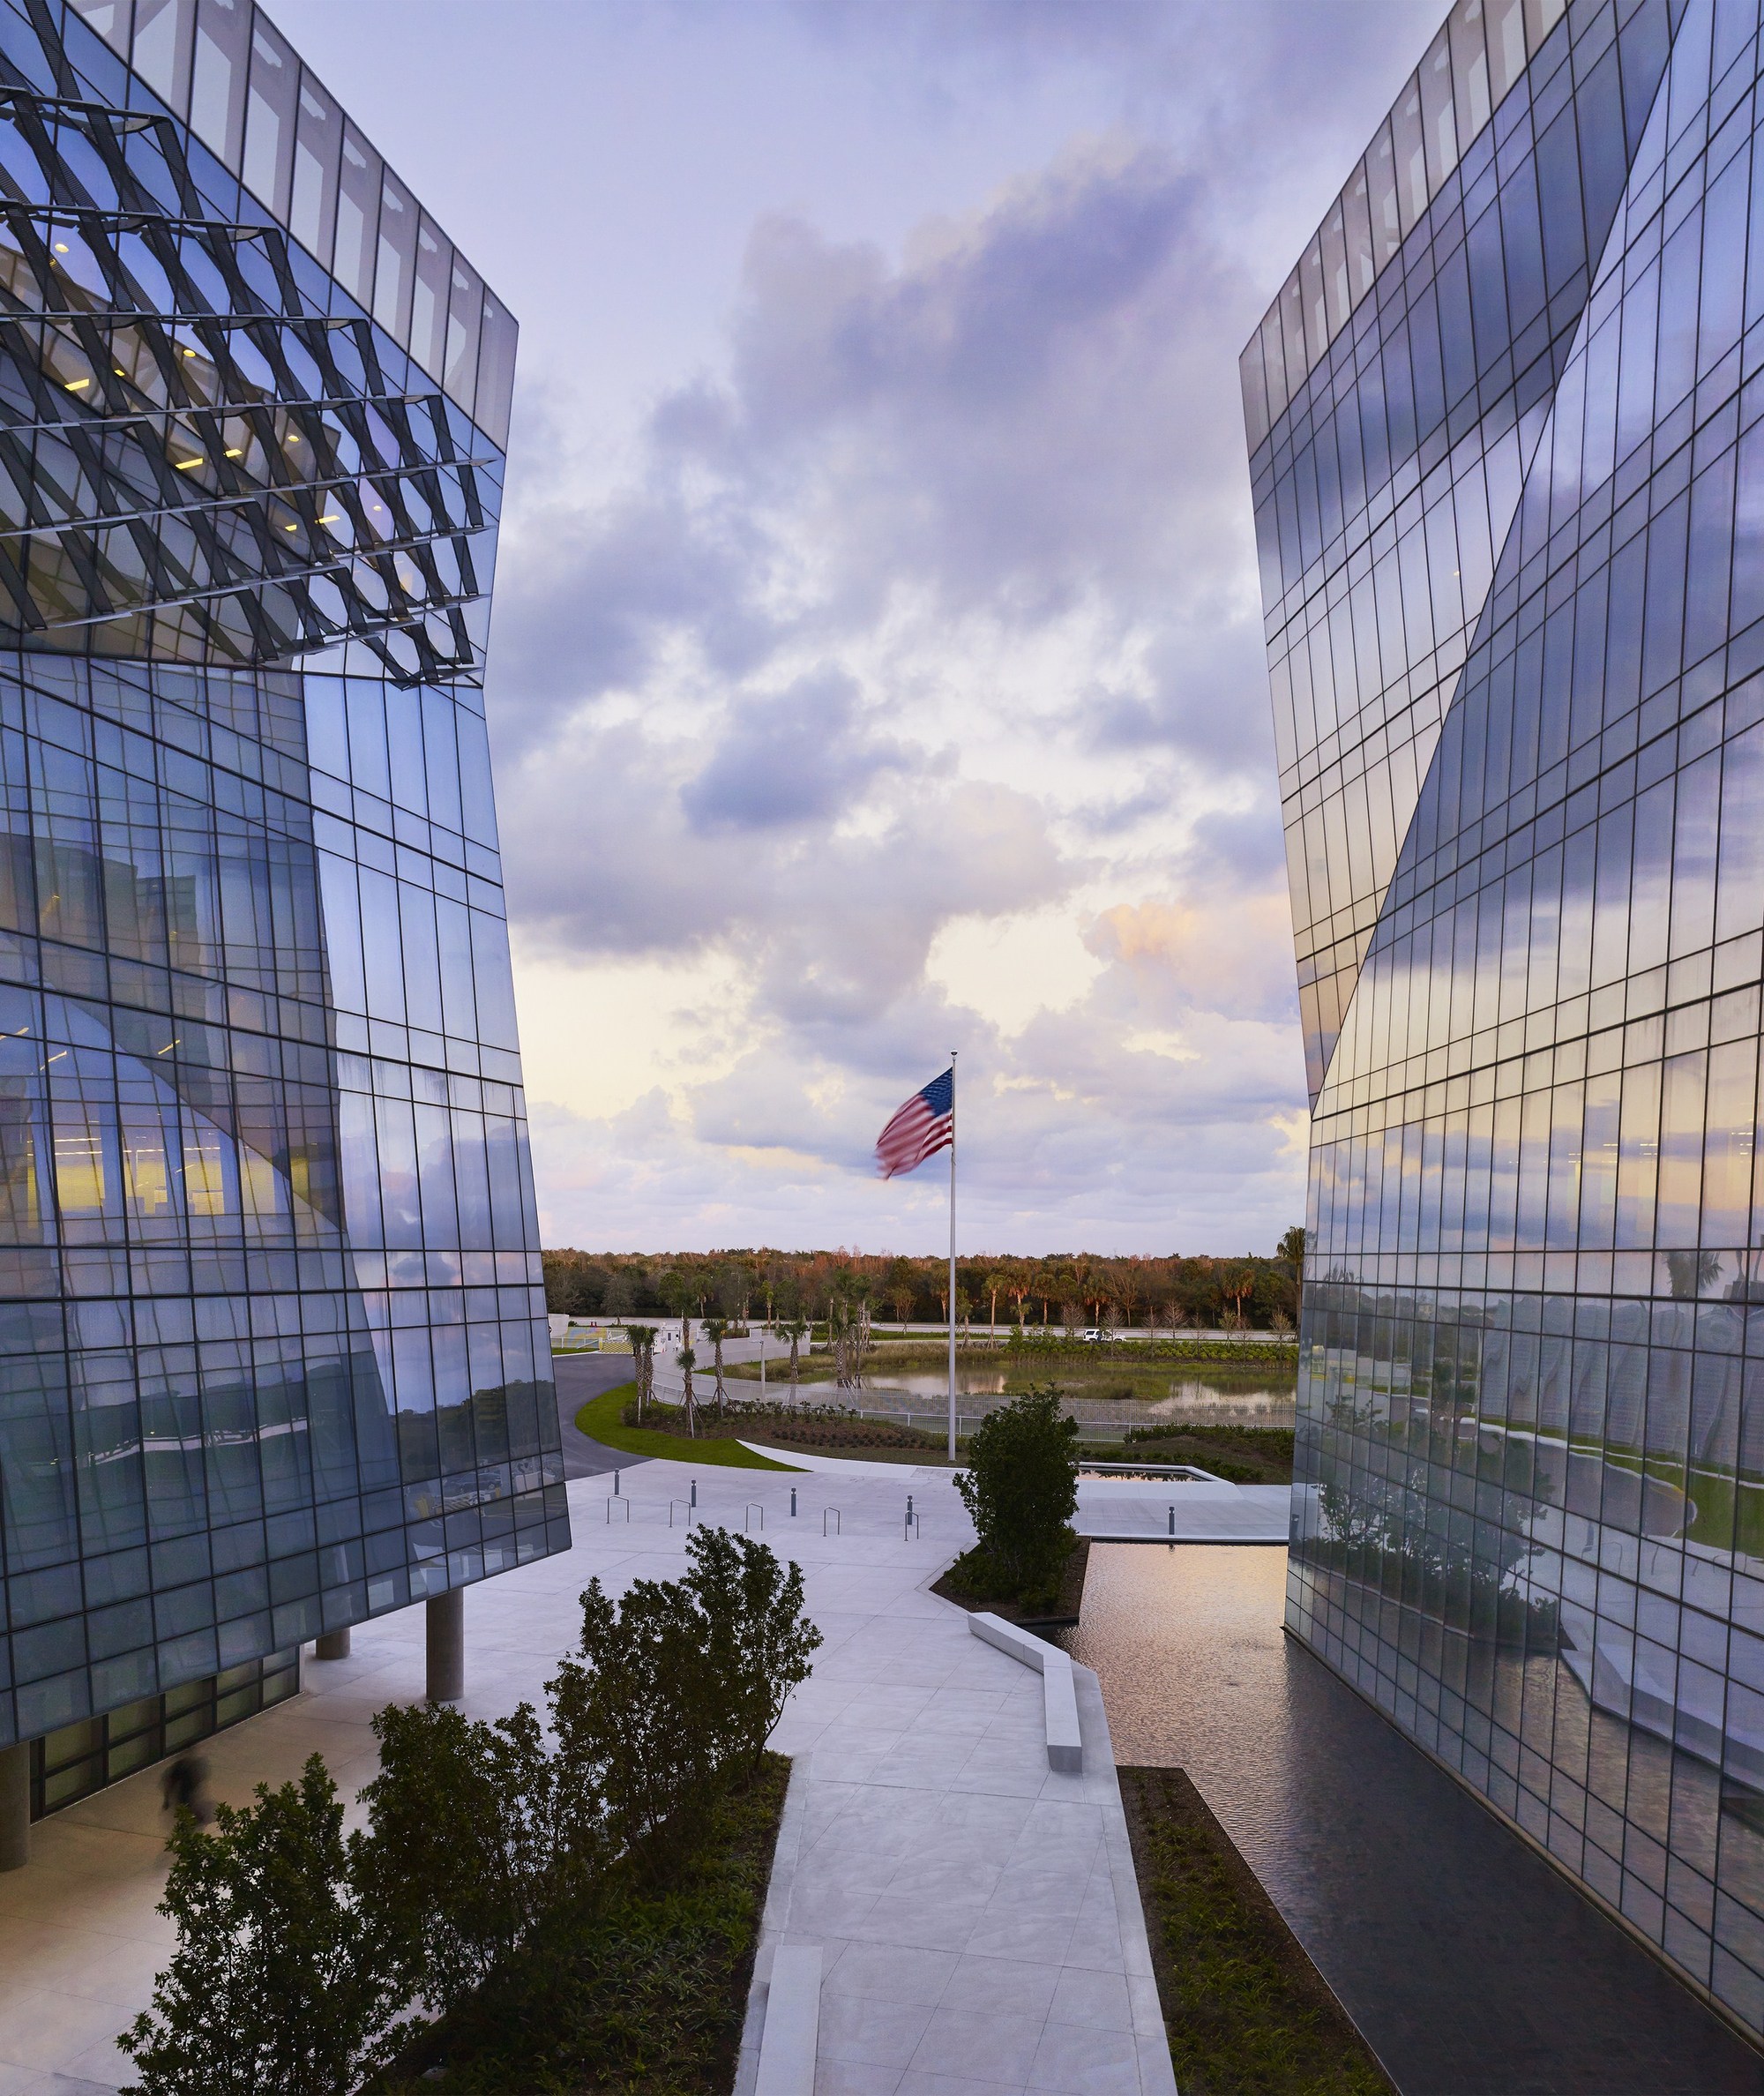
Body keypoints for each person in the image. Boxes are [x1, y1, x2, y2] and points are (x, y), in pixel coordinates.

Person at [161, 1752, 212, 1826]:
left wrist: (167, 1799)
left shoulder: (183, 1767)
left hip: (188, 1791)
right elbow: (171, 1783)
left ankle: (191, 1820)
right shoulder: (181, 1768)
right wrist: (167, 1799)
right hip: (185, 1792)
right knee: (188, 1805)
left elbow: (170, 1783)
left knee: (189, 1805)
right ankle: (192, 1820)